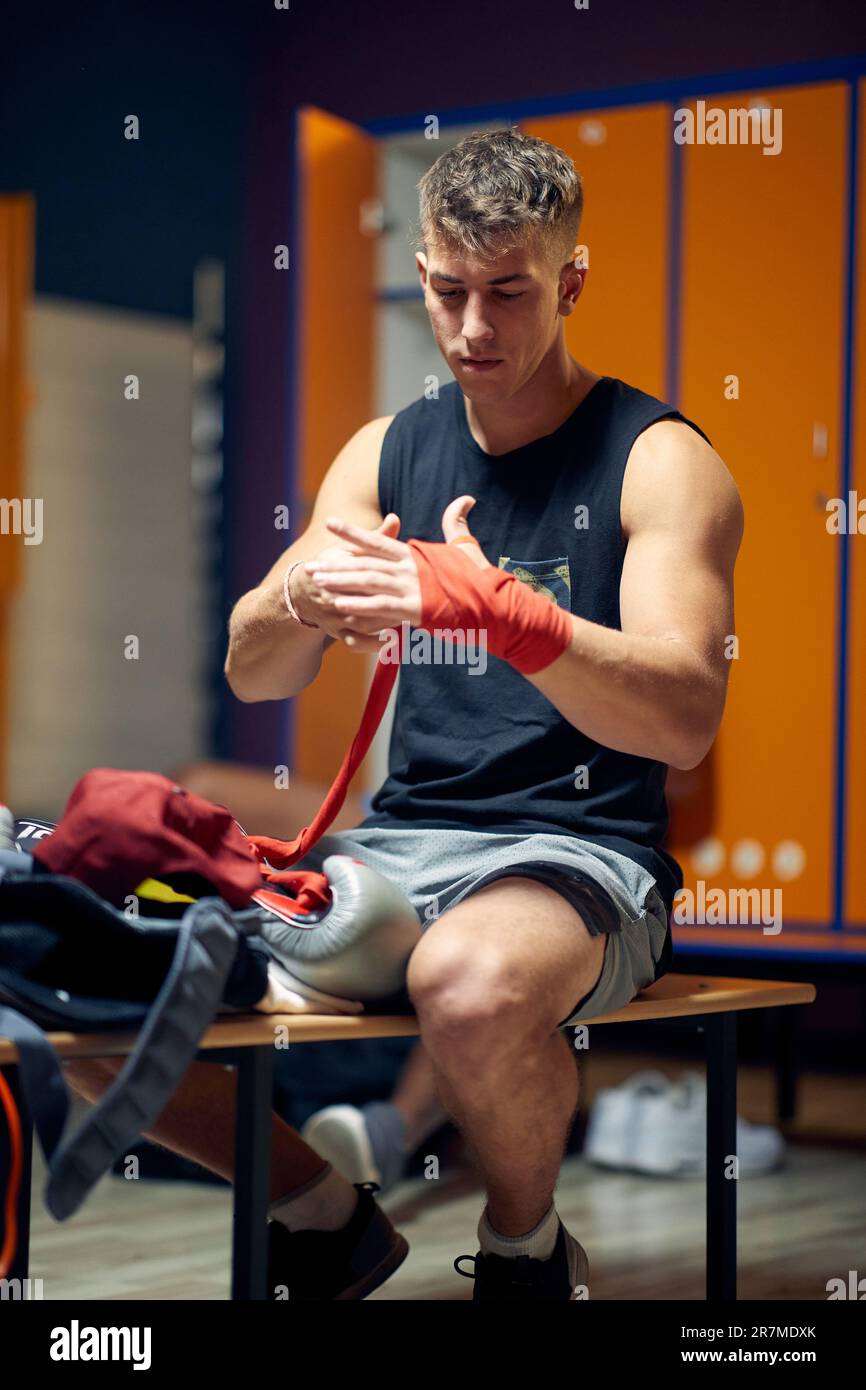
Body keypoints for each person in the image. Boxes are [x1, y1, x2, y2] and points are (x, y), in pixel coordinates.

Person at [67, 127, 743, 1301]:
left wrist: (505, 615)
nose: (473, 329)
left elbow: (683, 718)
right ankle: (321, 1210)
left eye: (508, 293)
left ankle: (528, 1251)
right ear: (422, 271)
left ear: (570, 282)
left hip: (575, 857)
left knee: (466, 981)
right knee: (94, 981)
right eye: (447, 291)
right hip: (393, 854)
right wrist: (297, 594)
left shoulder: (657, 460)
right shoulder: (385, 454)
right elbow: (255, 674)